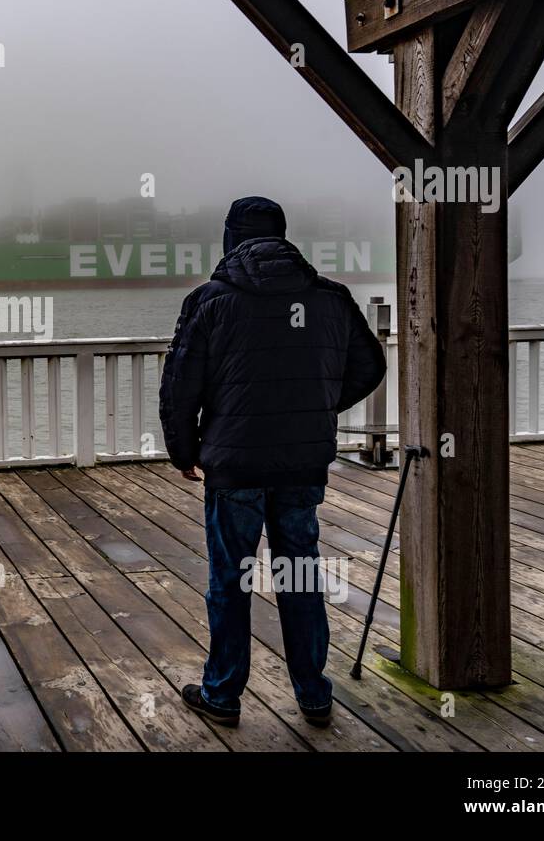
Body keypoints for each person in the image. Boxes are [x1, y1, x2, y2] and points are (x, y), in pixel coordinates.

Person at [159, 196, 386, 728]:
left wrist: (184, 450)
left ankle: (222, 695)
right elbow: (369, 365)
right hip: (301, 465)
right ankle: (313, 695)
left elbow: (180, 385)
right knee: (302, 574)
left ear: (230, 238)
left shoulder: (210, 300)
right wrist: (317, 407)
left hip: (234, 464)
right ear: (283, 236)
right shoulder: (329, 298)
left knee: (230, 580)